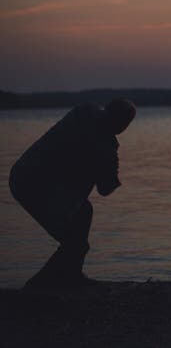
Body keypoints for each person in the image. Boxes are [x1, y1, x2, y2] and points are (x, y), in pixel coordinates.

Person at [9, 98, 136, 290]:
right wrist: (111, 163)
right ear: (122, 125)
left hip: (23, 174)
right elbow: (105, 189)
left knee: (82, 217)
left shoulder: (85, 111)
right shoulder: (105, 146)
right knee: (76, 240)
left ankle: (69, 276)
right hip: (33, 182)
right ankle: (38, 285)